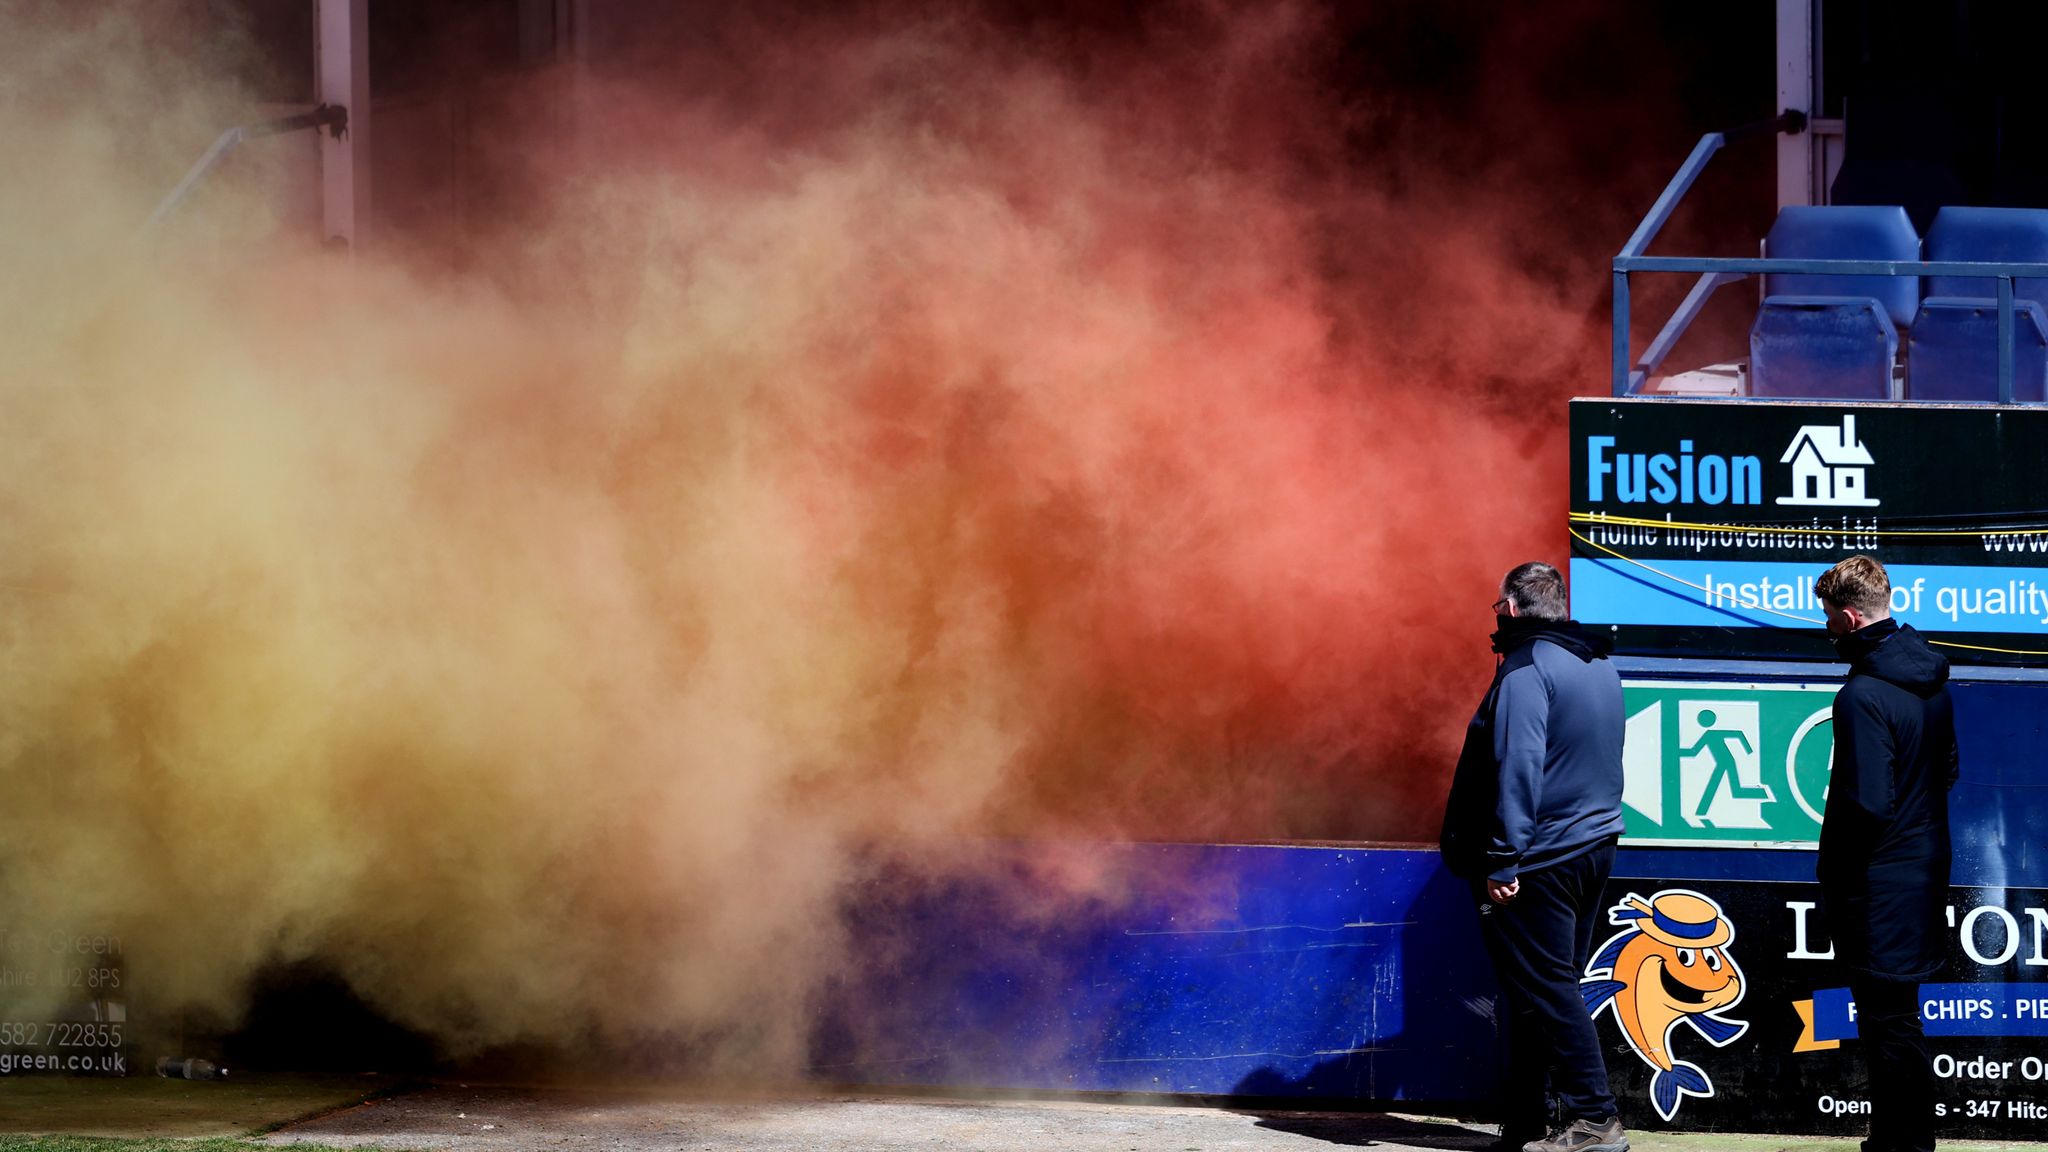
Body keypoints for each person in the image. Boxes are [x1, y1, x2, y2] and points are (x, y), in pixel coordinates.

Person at [1441, 561, 1629, 1152]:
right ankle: (1528, 1119)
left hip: (1540, 858)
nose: (1497, 618)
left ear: (1513, 610)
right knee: (1540, 989)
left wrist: (1504, 858)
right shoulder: (1597, 662)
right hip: (1592, 848)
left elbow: (1519, 767)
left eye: (1499, 607)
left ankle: (1595, 1120)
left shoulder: (1526, 670)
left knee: (1548, 990)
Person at [1813, 555, 1958, 1152]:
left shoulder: (1862, 695)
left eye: (1827, 619)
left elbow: (1868, 803)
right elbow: (1947, 771)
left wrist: (1836, 868)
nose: (1825, 631)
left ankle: (1904, 1144)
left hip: (1878, 882)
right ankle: (1900, 1140)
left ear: (1849, 618)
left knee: (1889, 1022)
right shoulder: (1931, 677)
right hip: (1921, 869)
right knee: (1896, 1017)